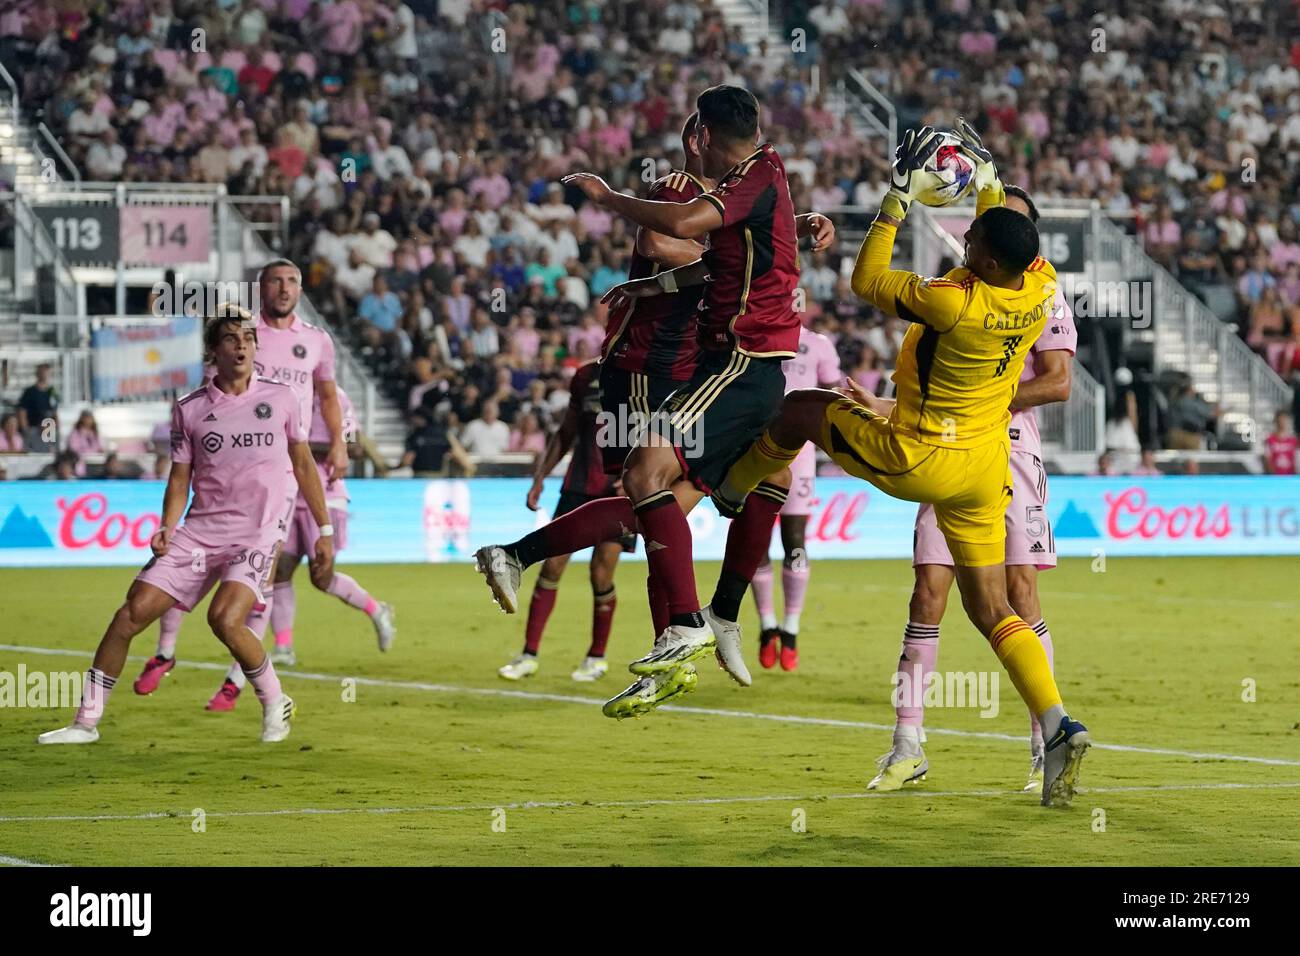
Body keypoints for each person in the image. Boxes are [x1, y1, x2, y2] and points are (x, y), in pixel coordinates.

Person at [712, 123, 1090, 807]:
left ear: (991, 263)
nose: (963, 242)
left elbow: (867, 278)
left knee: (800, 409)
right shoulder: (1038, 285)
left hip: (921, 455)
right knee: (991, 605)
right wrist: (987, 181)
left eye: (972, 242)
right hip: (981, 465)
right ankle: (1058, 725)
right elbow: (999, 231)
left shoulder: (954, 301)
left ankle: (734, 492)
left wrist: (896, 199)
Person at [476, 88, 836, 718]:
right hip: (656, 367)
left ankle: (694, 623)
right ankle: (694, 624)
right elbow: (674, 245)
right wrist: (775, 234)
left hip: (698, 364)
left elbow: (685, 239)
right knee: (664, 494)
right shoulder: (694, 186)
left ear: (702, 134)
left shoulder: (736, 185)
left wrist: (607, 198)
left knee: (660, 486)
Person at [38, 305, 333, 745]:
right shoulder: (189, 409)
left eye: (248, 339)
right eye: (231, 339)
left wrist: (324, 530)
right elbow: (180, 477)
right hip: (199, 532)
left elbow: (304, 465)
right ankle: (85, 722)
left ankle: (274, 698)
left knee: (225, 619)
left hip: (256, 533)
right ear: (213, 351)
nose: (242, 346)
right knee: (129, 615)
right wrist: (167, 526)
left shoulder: (281, 399)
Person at [867, 184, 1077, 794]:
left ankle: (1046, 748)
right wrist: (887, 405)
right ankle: (907, 744)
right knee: (926, 593)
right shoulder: (954, 294)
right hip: (951, 447)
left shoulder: (1045, 296)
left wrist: (986, 399)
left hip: (1010, 450)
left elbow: (1059, 382)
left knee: (1019, 594)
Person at [498, 361, 632, 683]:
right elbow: (567, 432)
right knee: (551, 566)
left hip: (617, 490)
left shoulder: (643, 372)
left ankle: (596, 657)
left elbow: (656, 430)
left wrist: (634, 476)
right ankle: (529, 654)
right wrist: (540, 477)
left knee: (601, 573)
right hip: (578, 487)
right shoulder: (585, 377)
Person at [752, 318, 842, 671]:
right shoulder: (757, 335)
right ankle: (767, 625)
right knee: (755, 540)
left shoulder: (819, 343)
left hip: (801, 457)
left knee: (795, 540)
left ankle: (790, 629)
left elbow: (835, 395)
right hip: (755, 449)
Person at [18, 364, 58, 451]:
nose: (44, 374)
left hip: (47, 428)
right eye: (41, 372)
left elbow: (55, 412)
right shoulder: (29, 391)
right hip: (33, 428)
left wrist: (56, 426)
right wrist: (25, 428)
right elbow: (22, 410)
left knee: (48, 451)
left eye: (46, 372)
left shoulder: (52, 392)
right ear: (37, 374)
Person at [66, 410, 103, 477]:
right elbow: (73, 449)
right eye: (87, 418)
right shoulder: (75, 433)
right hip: (81, 462)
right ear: (82, 419)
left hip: (94, 462)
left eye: (90, 418)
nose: (89, 420)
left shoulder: (94, 433)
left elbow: (99, 447)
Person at [1263, 410, 1297, 475]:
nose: (1282, 422)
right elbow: (1268, 460)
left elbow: (1296, 460)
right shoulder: (1269, 440)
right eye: (1280, 420)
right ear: (1276, 421)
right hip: (1275, 478)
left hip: (1291, 477)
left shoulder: (1293, 440)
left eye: (1285, 420)